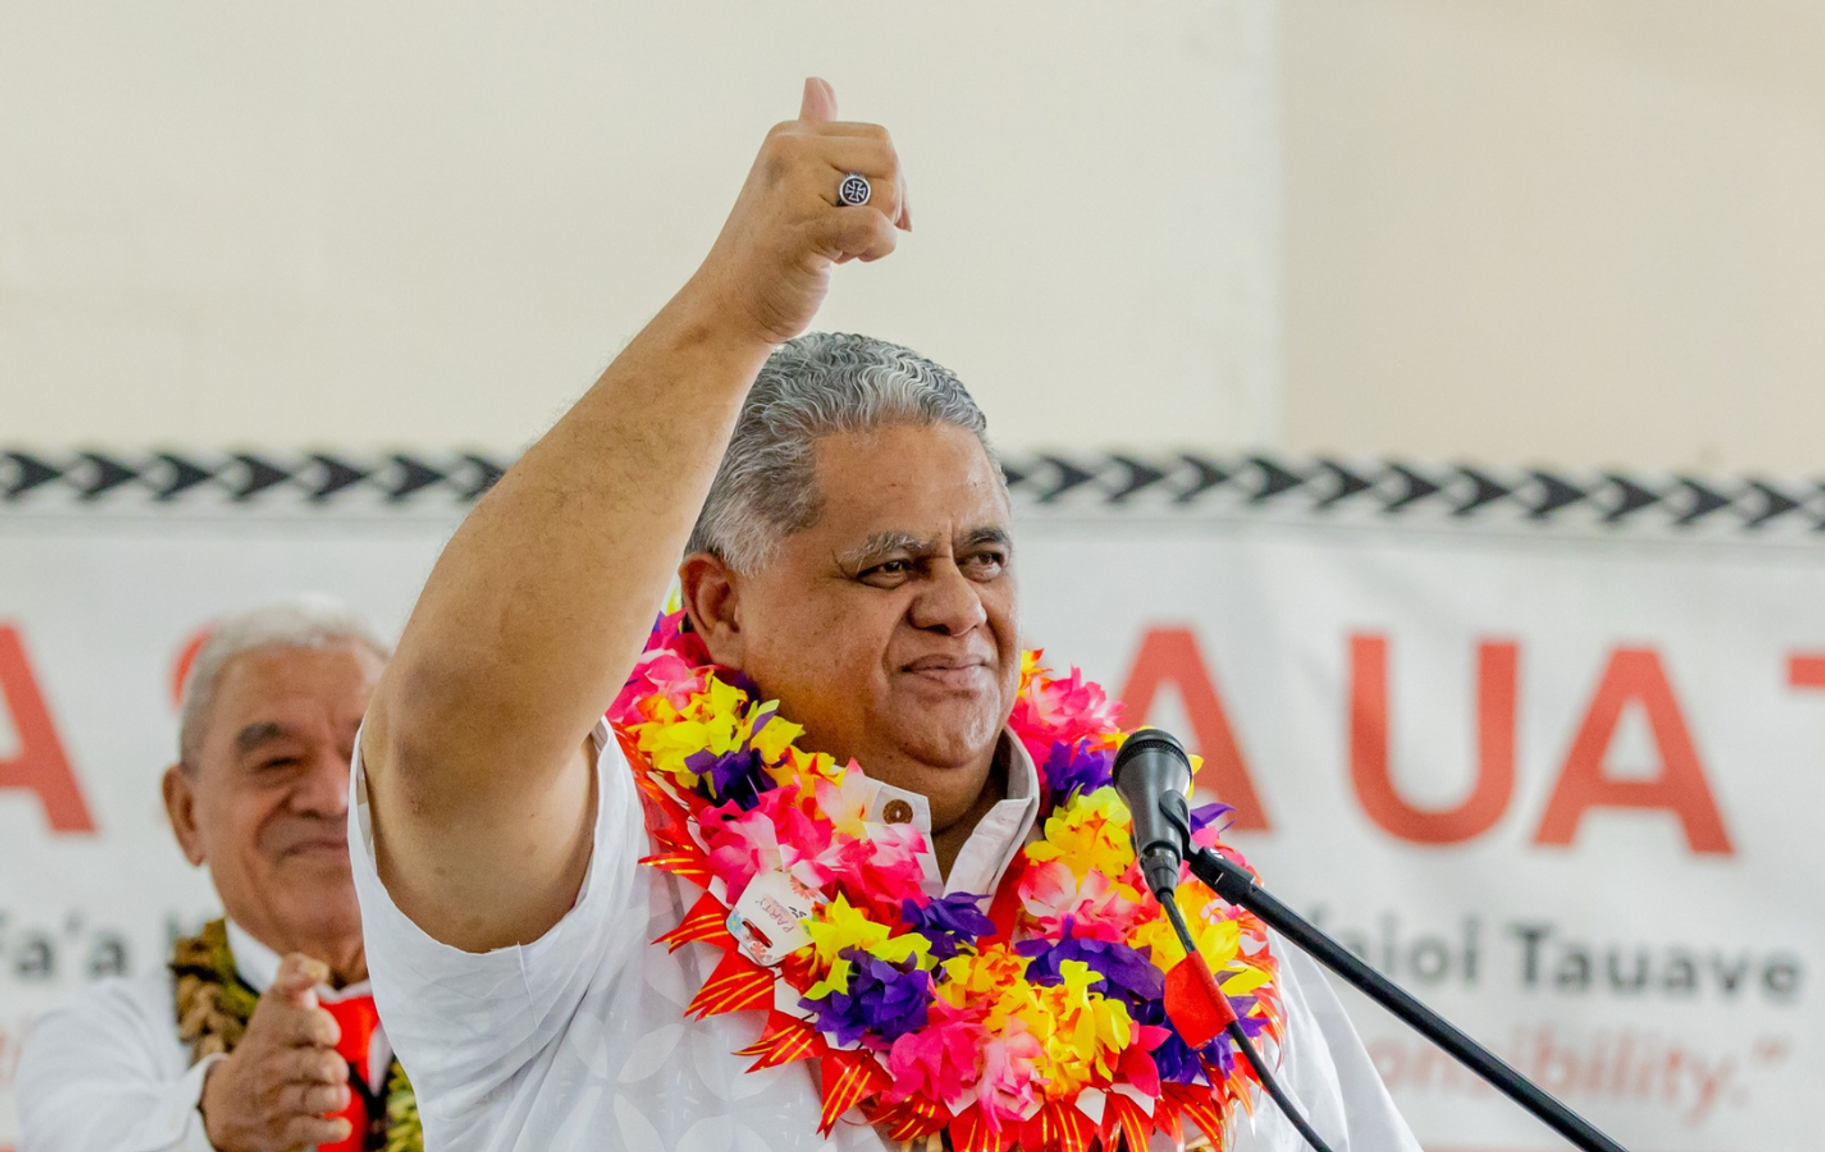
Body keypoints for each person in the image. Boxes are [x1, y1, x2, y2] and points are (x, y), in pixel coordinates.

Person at [351, 78, 1420, 1151]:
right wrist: (733, 312)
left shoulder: (1190, 921)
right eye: (889, 566)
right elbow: (453, 727)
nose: (956, 607)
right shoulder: (606, 875)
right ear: (720, 606)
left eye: (984, 557)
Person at [17, 597, 415, 1152]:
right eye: (277, 761)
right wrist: (222, 1118)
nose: (332, 799)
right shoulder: (100, 1036)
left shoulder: (509, 1013)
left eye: (365, 756)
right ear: (186, 814)